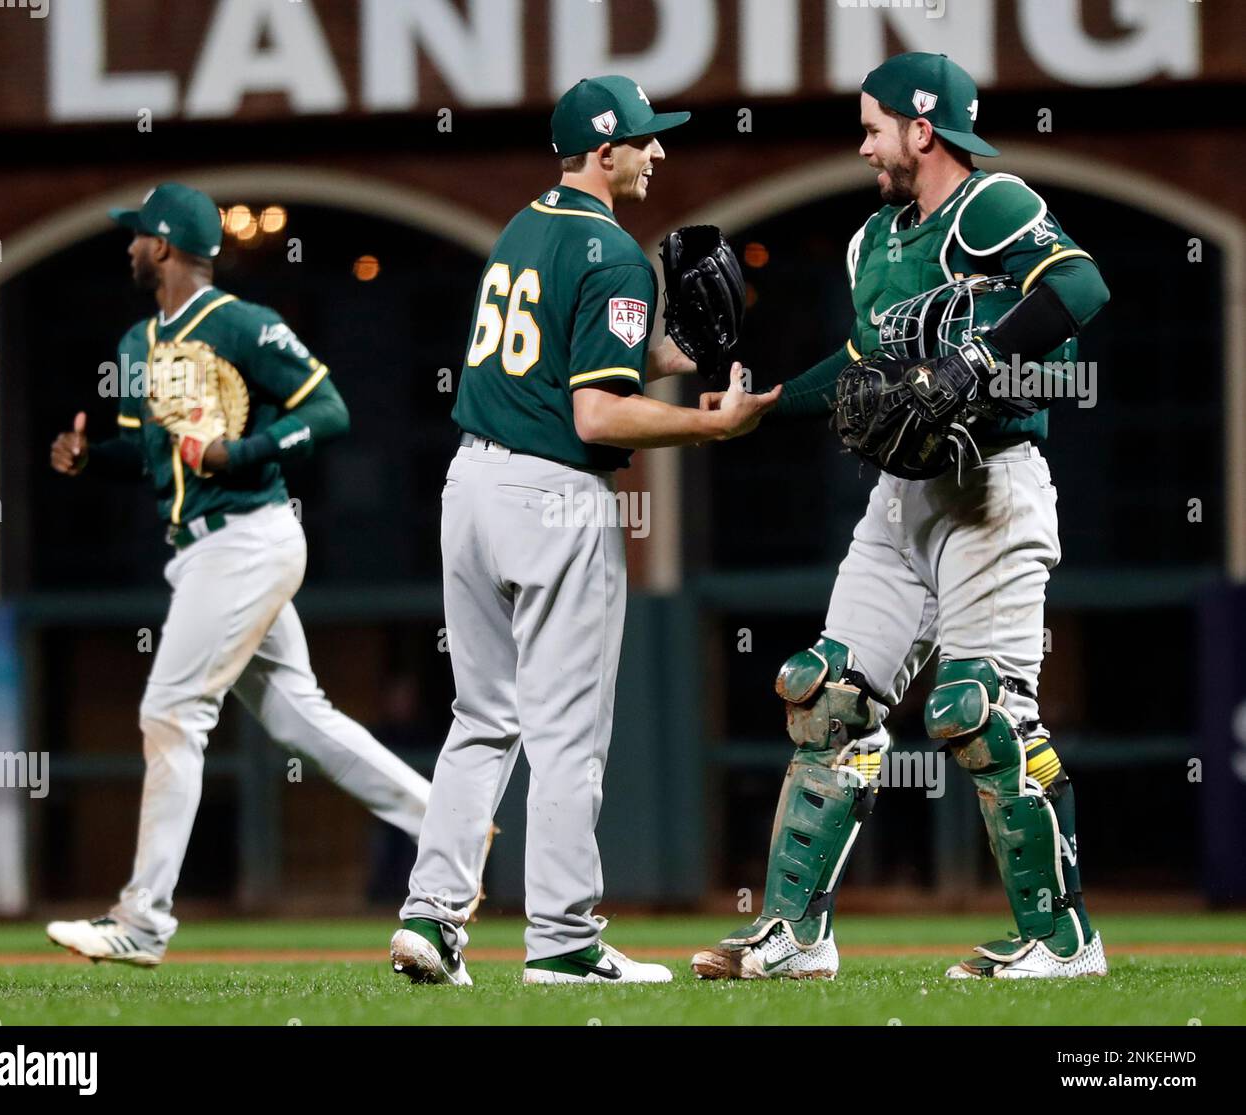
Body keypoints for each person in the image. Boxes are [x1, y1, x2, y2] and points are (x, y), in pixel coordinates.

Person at [691, 52, 1111, 981]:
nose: (864, 143)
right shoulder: (871, 241)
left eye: (874, 125)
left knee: (980, 713)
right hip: (899, 499)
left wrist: (974, 363)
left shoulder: (989, 203)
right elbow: (854, 365)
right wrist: (766, 401)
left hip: (991, 486)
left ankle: (1064, 938)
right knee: (824, 696)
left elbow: (1079, 291)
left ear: (923, 129)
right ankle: (796, 937)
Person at [390, 76, 780, 986]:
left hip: (471, 485)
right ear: (605, 151)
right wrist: (710, 424)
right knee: (567, 731)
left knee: (481, 716)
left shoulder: (524, 228)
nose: (659, 153)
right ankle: (563, 939)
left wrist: (679, 356)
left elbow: (585, 350)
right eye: (646, 140)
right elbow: (599, 415)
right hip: (552, 496)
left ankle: (432, 916)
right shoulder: (612, 251)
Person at [46, 183, 433, 966]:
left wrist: (245, 452)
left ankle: (143, 919)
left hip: (249, 538)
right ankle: (446, 819)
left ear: (161, 246)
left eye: (136, 236)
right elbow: (155, 461)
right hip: (199, 548)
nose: (127, 247)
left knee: (172, 712)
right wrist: (92, 459)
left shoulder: (241, 324)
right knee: (299, 719)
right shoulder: (135, 344)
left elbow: (328, 410)